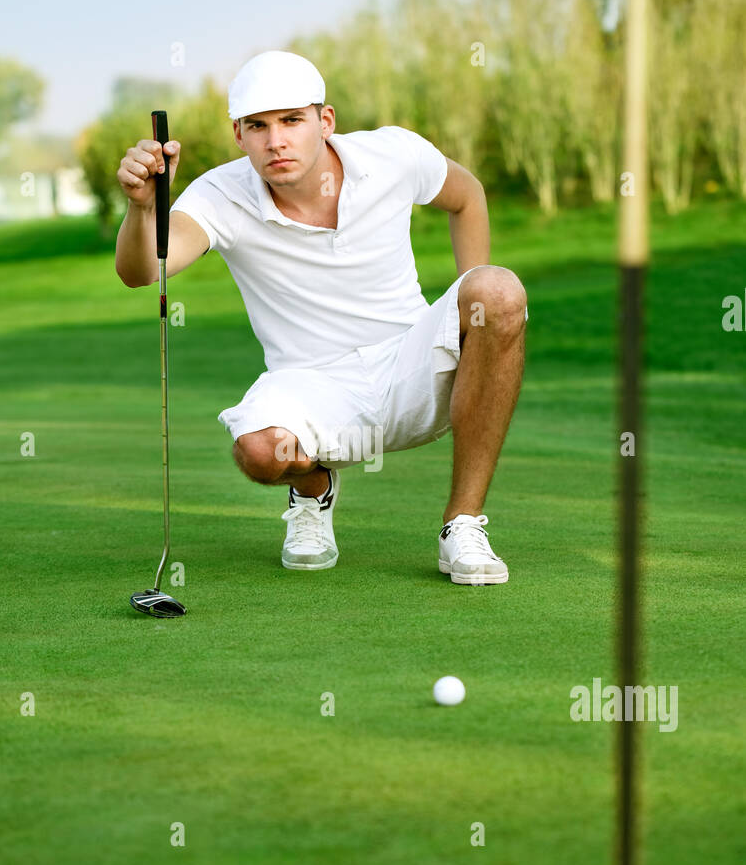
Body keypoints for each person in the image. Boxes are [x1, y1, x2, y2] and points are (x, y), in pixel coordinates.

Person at [115, 50, 527, 584]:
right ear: (238, 135)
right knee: (259, 452)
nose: (276, 141)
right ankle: (312, 493)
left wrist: (478, 323)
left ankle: (463, 524)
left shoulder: (393, 154)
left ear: (324, 121)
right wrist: (143, 207)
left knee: (498, 289)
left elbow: (466, 195)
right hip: (312, 388)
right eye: (257, 127)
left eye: (292, 121)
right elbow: (144, 270)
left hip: (416, 368)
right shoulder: (219, 194)